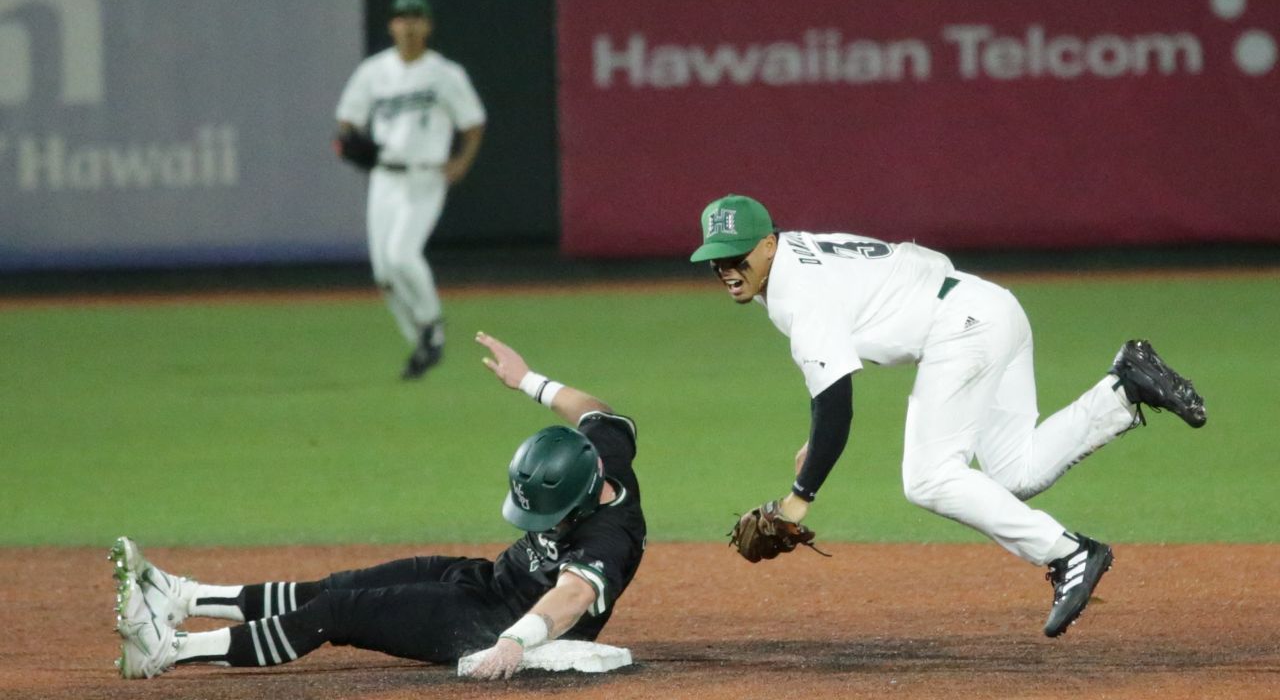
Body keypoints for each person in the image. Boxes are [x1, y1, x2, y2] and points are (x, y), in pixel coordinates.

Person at [690, 194, 1206, 637]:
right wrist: (814, 445)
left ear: (768, 244)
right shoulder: (795, 255)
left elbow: (836, 401)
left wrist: (799, 498)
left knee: (929, 478)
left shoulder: (797, 292)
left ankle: (1068, 553)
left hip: (962, 329)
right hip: (988, 306)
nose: (727, 271)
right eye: (716, 261)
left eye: (737, 257)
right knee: (1013, 474)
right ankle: (1123, 389)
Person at [110, 332, 645, 680]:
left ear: (580, 499)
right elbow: (597, 411)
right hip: (487, 581)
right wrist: (528, 380)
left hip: (495, 621)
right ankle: (183, 596)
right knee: (339, 586)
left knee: (337, 614)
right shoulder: (603, 455)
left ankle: (169, 651)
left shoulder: (608, 537)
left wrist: (511, 643)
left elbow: (572, 596)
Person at [334, 0, 486, 379]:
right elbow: (347, 121)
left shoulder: (444, 74)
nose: (409, 24)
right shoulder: (374, 71)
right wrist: (348, 143)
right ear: (392, 25)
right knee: (384, 273)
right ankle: (421, 342)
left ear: (428, 26)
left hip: (425, 174)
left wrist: (461, 162)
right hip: (384, 176)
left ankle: (433, 324)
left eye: (416, 17)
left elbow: (473, 123)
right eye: (402, 18)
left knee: (402, 255)